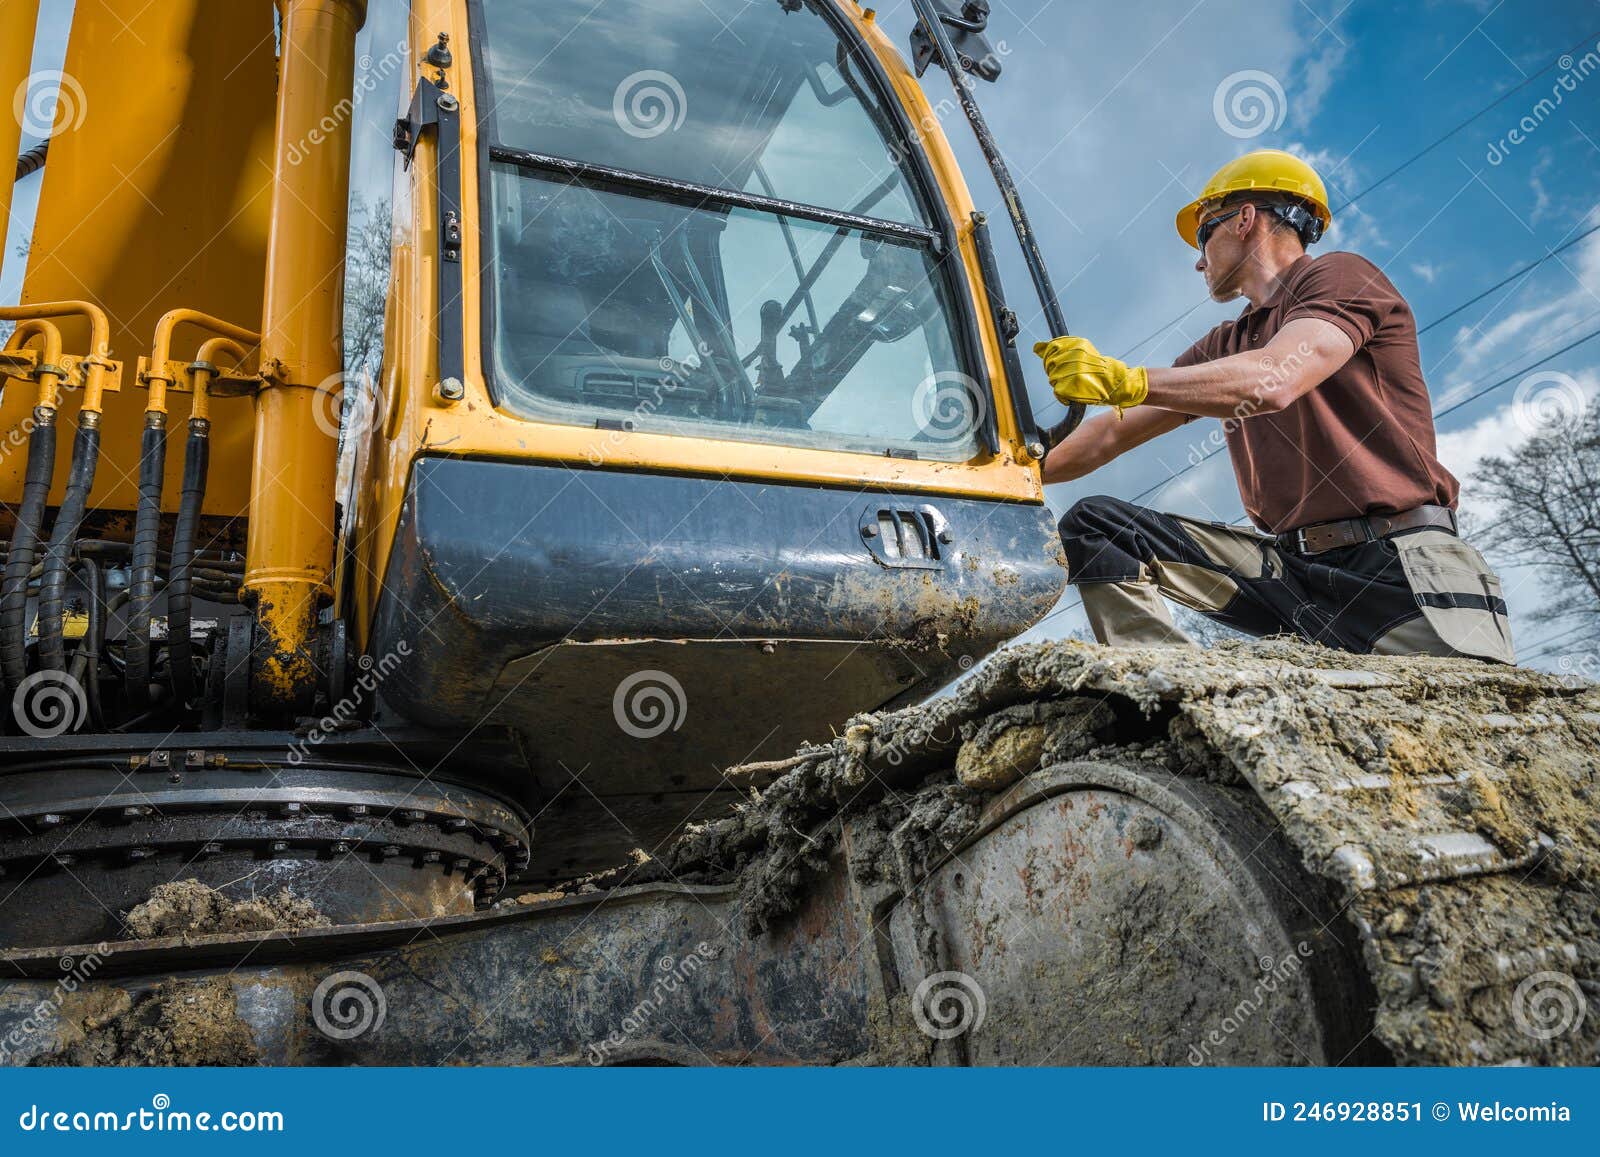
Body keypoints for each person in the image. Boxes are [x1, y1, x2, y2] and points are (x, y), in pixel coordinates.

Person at [1033, 149, 1514, 662]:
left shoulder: (1341, 276)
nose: (1198, 259)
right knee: (1098, 528)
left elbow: (1275, 378)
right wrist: (1005, 471)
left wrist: (1127, 380)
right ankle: (1170, 688)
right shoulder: (1227, 341)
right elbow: (1111, 434)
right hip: (1298, 578)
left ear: (1243, 219)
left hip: (1400, 570)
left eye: (1203, 236)